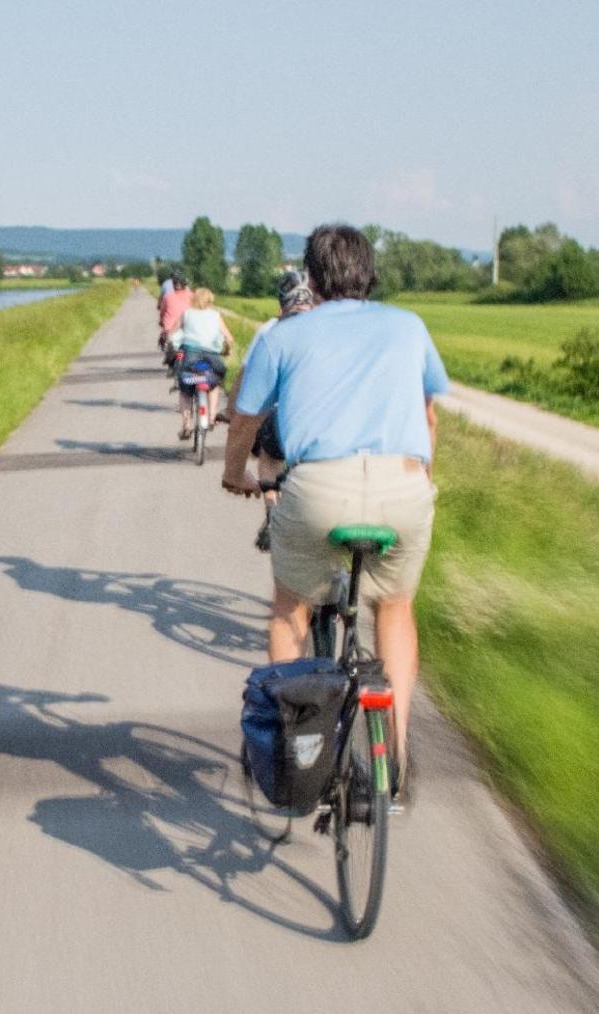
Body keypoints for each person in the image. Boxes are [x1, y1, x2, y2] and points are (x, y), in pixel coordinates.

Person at [220, 225, 448, 806]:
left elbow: (245, 418)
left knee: (290, 607)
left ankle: (296, 745)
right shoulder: (409, 326)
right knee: (394, 607)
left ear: (313, 279)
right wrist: (420, 479)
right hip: (403, 486)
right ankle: (394, 755)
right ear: (370, 274)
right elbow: (428, 417)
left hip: (318, 488)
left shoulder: (285, 335)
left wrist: (235, 473)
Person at [244, 269, 316, 550]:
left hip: (281, 419)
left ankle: (272, 508)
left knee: (268, 457)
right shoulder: (328, 328)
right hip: (323, 421)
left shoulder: (270, 330)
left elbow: (249, 378)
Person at [172, 286, 235, 439]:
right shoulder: (216, 315)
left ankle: (187, 424)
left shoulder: (187, 314)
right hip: (212, 359)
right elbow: (229, 338)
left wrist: (172, 341)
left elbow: (173, 332)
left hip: (189, 357)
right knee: (214, 383)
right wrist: (227, 349)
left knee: (185, 389)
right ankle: (212, 416)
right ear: (210, 301)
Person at [157, 272, 191, 356]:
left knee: (166, 341)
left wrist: (161, 321)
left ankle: (168, 354)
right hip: (188, 329)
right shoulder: (191, 295)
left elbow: (162, 312)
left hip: (170, 330)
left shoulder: (167, 296)